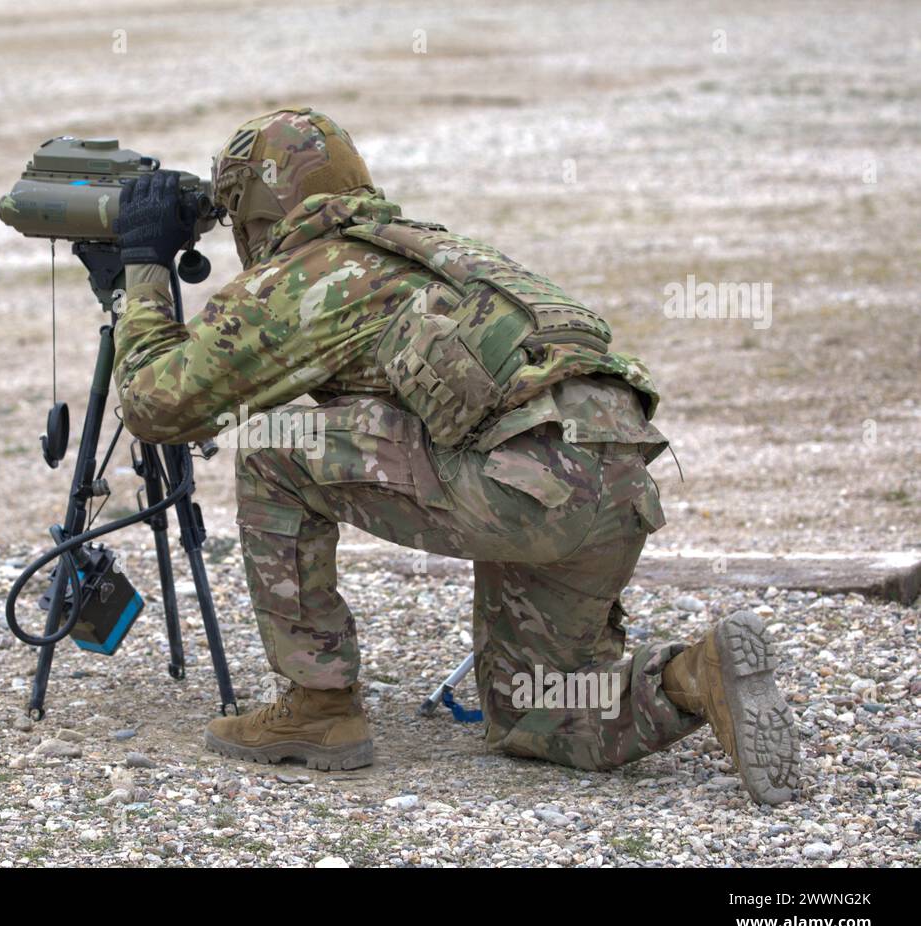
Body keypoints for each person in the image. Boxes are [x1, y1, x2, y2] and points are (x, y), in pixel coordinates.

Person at [110, 107, 799, 804]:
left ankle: (319, 705)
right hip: (617, 477)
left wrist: (141, 264)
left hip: (525, 480)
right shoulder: (435, 253)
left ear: (258, 209)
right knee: (534, 706)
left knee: (270, 445)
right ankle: (692, 675)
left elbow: (153, 404)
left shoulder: (311, 273)